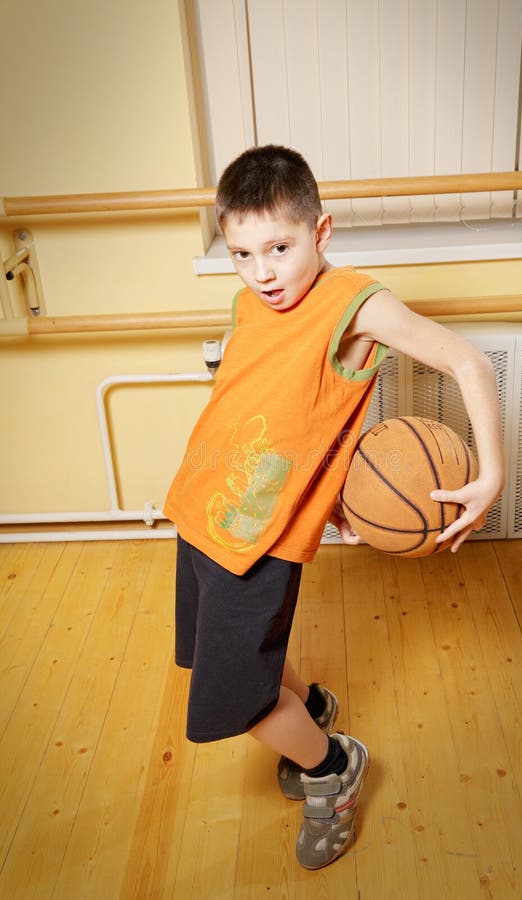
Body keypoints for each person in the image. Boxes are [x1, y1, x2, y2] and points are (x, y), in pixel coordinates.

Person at [164, 145, 504, 870]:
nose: (262, 273)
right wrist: (325, 481)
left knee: (240, 704)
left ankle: (333, 770)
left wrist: (492, 472)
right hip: (203, 509)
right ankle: (313, 710)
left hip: (259, 543)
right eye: (243, 254)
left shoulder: (356, 303)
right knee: (220, 657)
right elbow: (277, 410)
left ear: (320, 232)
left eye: (279, 249)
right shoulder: (250, 303)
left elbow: (467, 361)